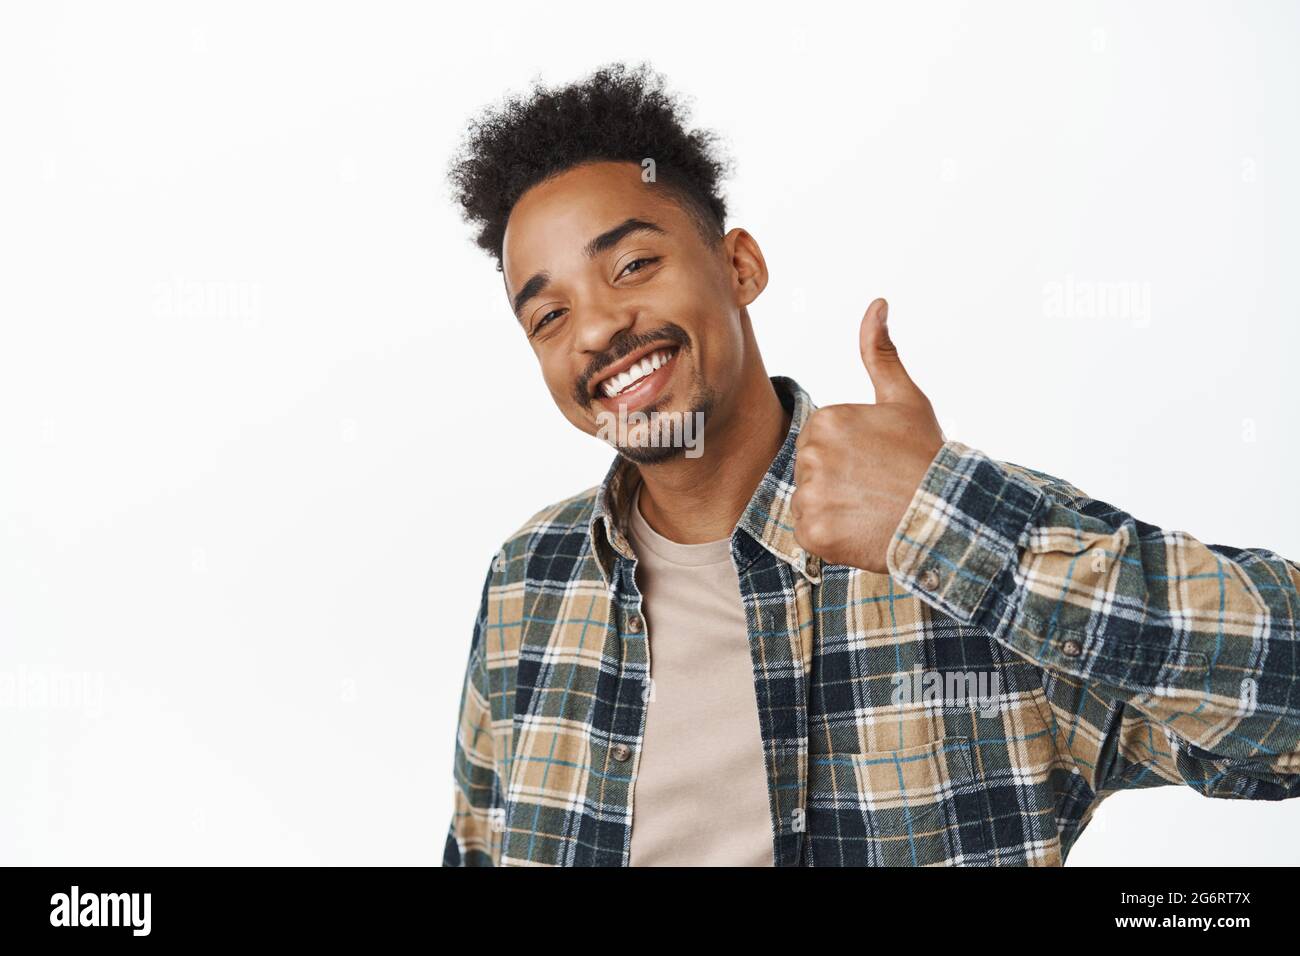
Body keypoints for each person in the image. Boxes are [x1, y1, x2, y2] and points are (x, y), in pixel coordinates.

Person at [440, 62, 1300, 867]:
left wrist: (949, 529)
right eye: (548, 317)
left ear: (739, 266)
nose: (593, 331)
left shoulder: (953, 541)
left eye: (632, 264)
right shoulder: (527, 579)